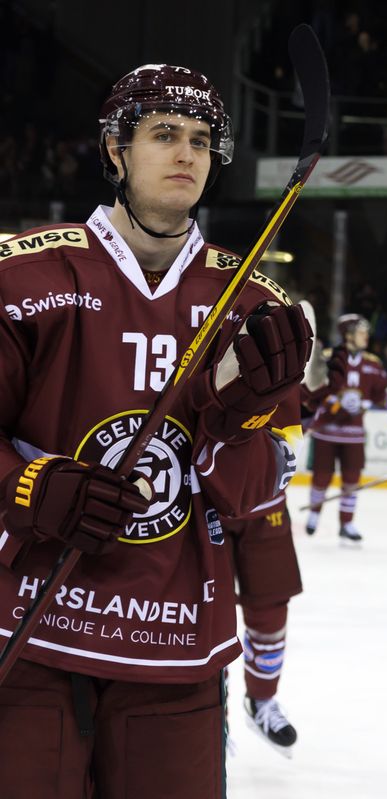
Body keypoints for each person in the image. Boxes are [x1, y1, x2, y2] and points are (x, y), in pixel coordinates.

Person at [0, 64, 310, 797]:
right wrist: (27, 484)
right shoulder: (23, 276)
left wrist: (232, 430)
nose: (186, 154)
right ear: (115, 150)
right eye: (164, 134)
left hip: (177, 653)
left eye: (201, 139)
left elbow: (264, 490)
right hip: (32, 633)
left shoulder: (253, 302)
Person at [225, 499, 303, 756]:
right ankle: (211, 716)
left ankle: (261, 700)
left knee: (271, 610)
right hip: (203, 499)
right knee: (207, 612)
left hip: (266, 502)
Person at [305, 313, 387, 544]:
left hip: (354, 434)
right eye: (362, 332)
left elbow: (381, 396)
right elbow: (312, 390)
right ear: (348, 335)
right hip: (326, 433)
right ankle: (314, 515)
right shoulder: (327, 358)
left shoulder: (373, 363)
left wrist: (365, 403)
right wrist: (333, 403)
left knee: (351, 479)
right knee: (322, 476)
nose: (366, 337)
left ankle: (347, 522)